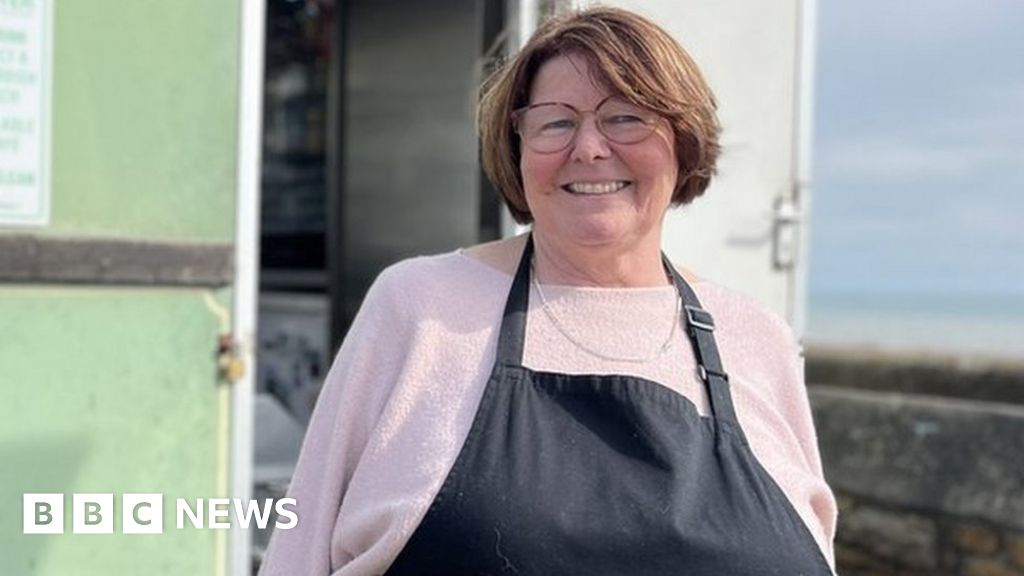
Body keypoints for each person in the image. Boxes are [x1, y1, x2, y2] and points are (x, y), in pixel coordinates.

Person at [261, 6, 837, 575]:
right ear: (516, 149)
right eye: (556, 123)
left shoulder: (758, 338)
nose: (588, 147)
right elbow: (300, 547)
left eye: (626, 116)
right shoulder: (419, 307)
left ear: (682, 139)